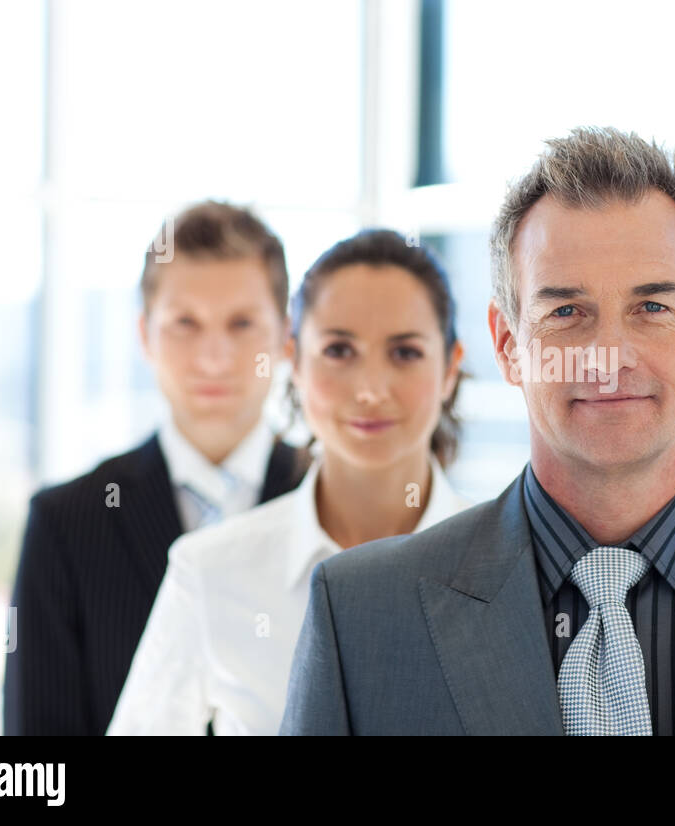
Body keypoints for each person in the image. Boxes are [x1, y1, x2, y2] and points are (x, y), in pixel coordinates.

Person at [279, 127, 675, 736]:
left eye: (651, 307)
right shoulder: (361, 616)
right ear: (507, 345)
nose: (609, 355)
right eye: (566, 311)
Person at [106, 229, 474, 735]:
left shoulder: (510, 567)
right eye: (339, 350)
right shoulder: (208, 571)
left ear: (450, 367)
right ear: (293, 359)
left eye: (405, 352)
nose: (369, 390)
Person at [4, 201, 310, 736]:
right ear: (145, 335)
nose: (214, 356)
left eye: (242, 323)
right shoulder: (67, 523)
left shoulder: (332, 505)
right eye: (184, 324)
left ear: (286, 337)